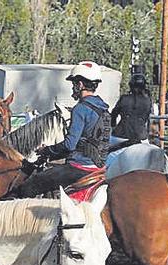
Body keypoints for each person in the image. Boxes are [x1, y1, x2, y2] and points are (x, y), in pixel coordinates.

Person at [14, 62, 110, 198]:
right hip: (99, 168)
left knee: (28, 187)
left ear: (80, 85)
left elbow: (70, 145)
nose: (73, 89)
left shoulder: (80, 109)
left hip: (79, 167)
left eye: (74, 85)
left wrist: (46, 150)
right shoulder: (104, 109)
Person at [111, 71, 152, 143]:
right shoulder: (148, 101)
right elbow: (146, 118)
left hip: (121, 135)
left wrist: (113, 125)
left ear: (131, 85)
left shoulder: (124, 98)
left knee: (106, 152)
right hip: (141, 136)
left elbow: (114, 114)